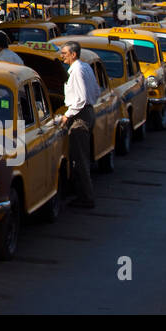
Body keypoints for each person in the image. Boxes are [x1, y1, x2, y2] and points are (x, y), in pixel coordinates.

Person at [57, 42, 100, 208]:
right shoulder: (85, 67)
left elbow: (81, 99)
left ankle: (87, 198)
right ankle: (80, 194)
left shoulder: (77, 71)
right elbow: (96, 91)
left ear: (73, 54)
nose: (62, 56)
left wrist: (67, 116)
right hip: (86, 113)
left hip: (80, 117)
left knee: (80, 160)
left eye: (64, 53)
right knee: (78, 158)